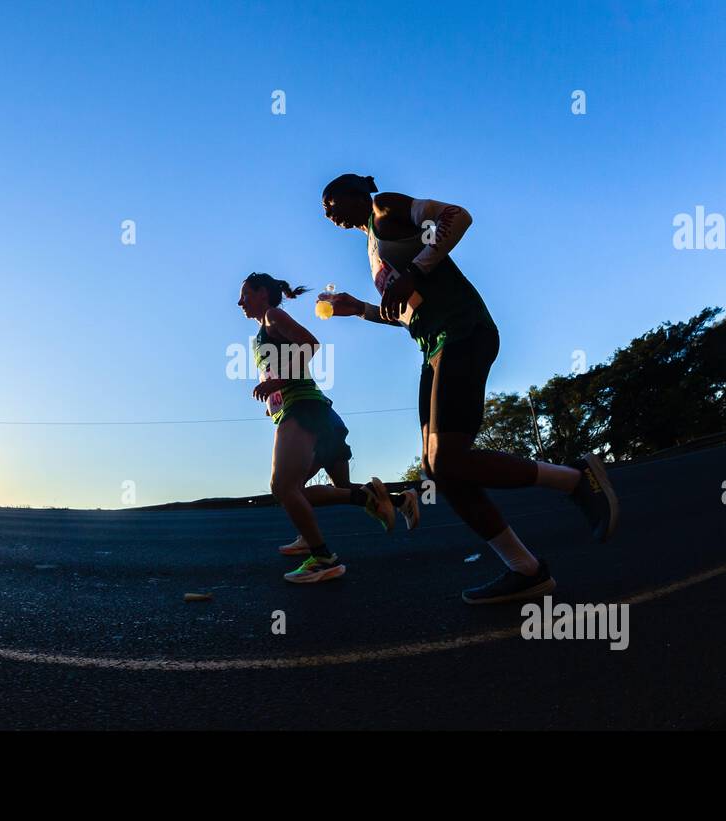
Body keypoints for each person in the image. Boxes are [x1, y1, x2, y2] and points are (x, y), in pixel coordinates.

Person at [319, 174, 619, 604]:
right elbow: (408, 311)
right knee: (438, 469)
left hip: (462, 331)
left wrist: (418, 270)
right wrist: (361, 309)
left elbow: (456, 216)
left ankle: (575, 480)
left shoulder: (385, 208)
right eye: (324, 210)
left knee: (449, 457)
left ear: (355, 193)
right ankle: (525, 569)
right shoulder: (372, 242)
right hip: (433, 342)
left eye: (331, 202)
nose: (327, 213)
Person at [237, 272, 420, 583]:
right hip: (316, 414)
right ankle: (401, 500)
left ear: (263, 295)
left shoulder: (272, 316)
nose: (240, 301)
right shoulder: (261, 335)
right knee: (321, 491)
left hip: (304, 410)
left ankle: (322, 558)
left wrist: (282, 381)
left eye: (246, 294)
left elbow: (310, 343)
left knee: (284, 488)